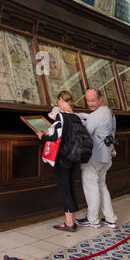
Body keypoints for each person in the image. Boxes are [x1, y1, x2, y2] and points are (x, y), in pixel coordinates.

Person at [41, 91, 89, 233]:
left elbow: (55, 136)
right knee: (71, 187)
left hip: (62, 158)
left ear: (61, 100)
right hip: (74, 157)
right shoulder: (76, 117)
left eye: (58, 101)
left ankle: (69, 223)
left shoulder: (61, 116)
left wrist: (41, 136)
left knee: (64, 189)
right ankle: (72, 220)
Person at [79, 87, 117, 229]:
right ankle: (110, 218)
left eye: (93, 100)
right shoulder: (110, 112)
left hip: (94, 157)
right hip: (106, 155)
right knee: (101, 185)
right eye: (88, 100)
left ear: (100, 99)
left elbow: (85, 133)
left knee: (91, 186)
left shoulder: (95, 116)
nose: (90, 103)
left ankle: (93, 219)